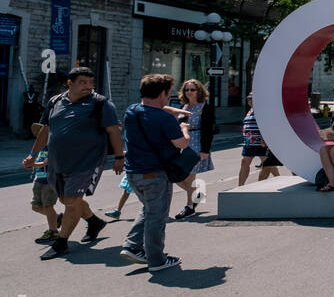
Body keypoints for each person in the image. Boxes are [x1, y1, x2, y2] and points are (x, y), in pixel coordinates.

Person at [24, 67, 123, 262]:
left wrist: (120, 157)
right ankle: (94, 222)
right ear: (70, 83)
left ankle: (61, 243)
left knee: (71, 200)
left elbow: (113, 131)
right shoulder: (55, 102)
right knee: (68, 200)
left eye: (90, 83)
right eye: (83, 82)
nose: (88, 86)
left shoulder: (100, 103)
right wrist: (32, 155)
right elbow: (45, 130)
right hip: (57, 161)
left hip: (87, 161)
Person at [120, 73, 190, 273]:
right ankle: (157, 260)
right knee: (157, 217)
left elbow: (150, 107)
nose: (169, 99)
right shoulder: (165, 120)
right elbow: (181, 143)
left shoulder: (131, 111)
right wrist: (183, 127)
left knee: (148, 210)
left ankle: (133, 247)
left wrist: (172, 110)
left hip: (133, 173)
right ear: (163, 94)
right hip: (155, 174)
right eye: (168, 95)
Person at [174, 79, 215, 219]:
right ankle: (197, 194)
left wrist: (205, 150)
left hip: (198, 142)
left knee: (190, 176)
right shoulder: (183, 107)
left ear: (199, 91)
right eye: (187, 90)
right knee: (176, 175)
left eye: (192, 89)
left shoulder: (205, 107)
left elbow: (209, 130)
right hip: (184, 143)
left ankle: (190, 206)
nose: (189, 92)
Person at [238, 95, 280, 185]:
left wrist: (265, 137)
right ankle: (240, 186)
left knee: (268, 165)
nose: (250, 101)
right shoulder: (250, 111)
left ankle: (261, 184)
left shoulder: (263, 111)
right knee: (244, 162)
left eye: (252, 99)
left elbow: (268, 124)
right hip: (249, 143)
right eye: (249, 99)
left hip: (262, 143)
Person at [30, 141, 61, 245]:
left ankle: (53, 232)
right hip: (39, 179)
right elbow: (39, 160)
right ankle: (56, 218)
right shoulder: (40, 147)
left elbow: (46, 162)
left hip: (50, 180)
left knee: (48, 206)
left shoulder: (53, 144)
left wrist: (31, 163)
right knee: (35, 206)